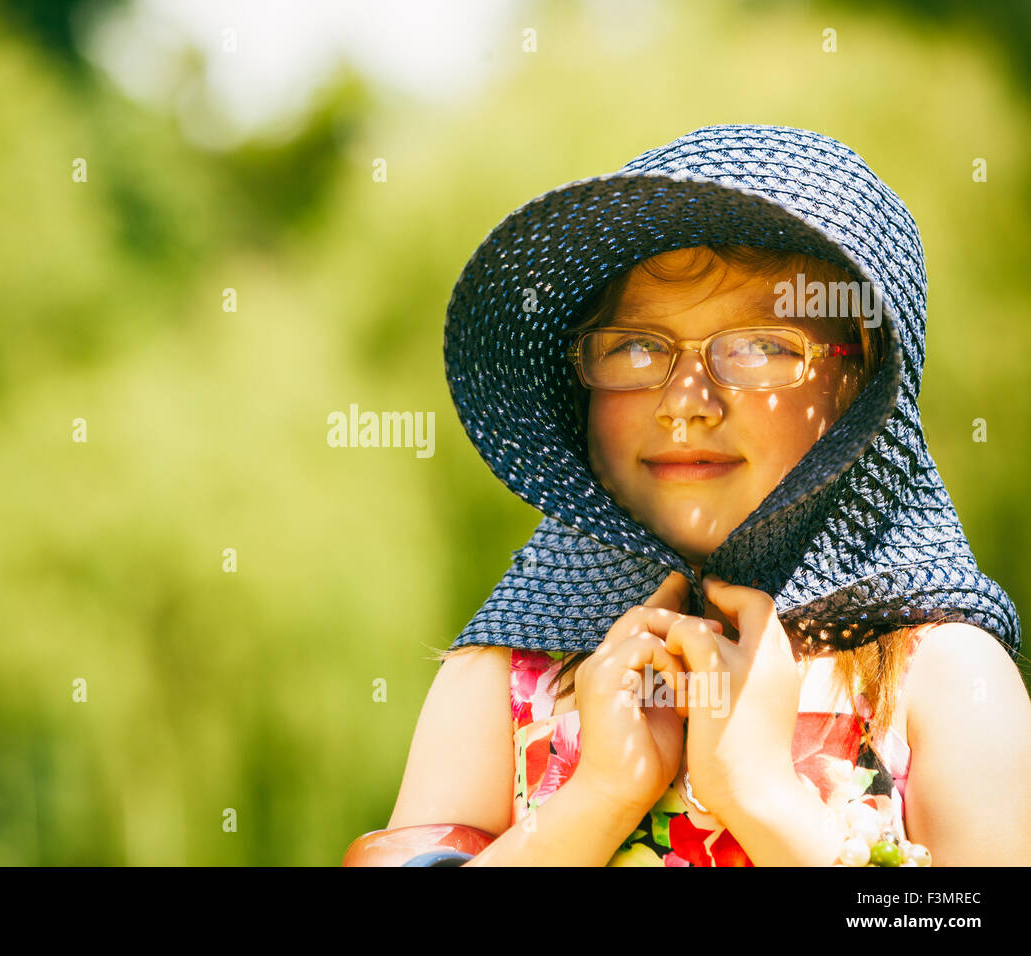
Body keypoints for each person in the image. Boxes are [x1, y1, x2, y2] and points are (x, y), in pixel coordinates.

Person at [342, 125, 1030, 867]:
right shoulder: (501, 682)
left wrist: (764, 797)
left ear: (861, 383)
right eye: (635, 347)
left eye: (762, 347)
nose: (685, 404)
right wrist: (597, 798)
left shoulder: (941, 678)